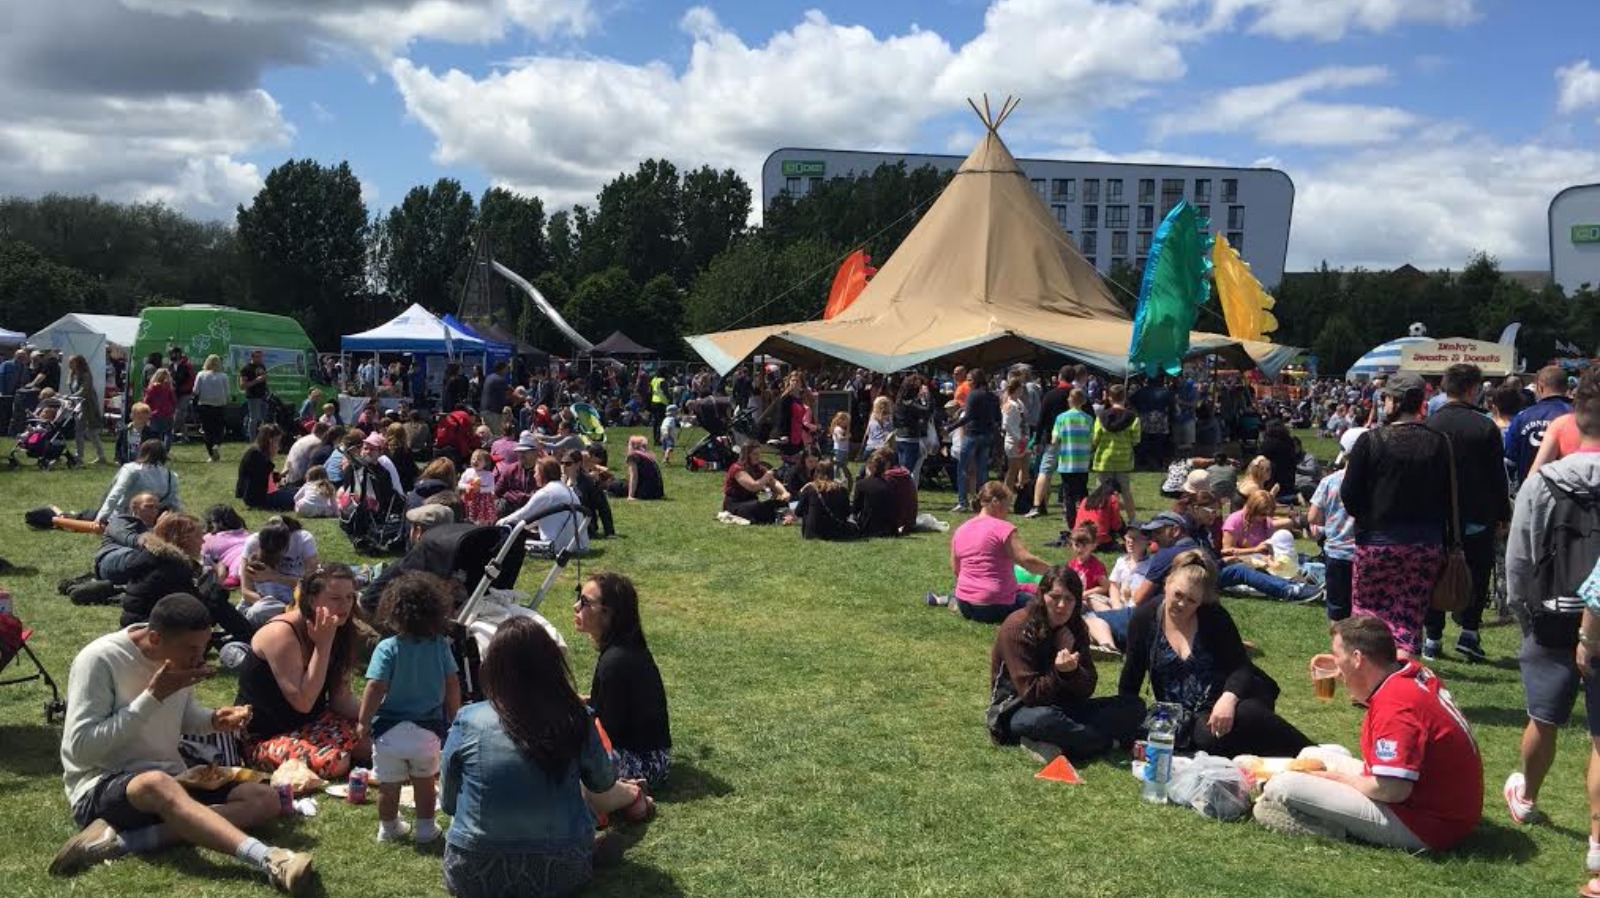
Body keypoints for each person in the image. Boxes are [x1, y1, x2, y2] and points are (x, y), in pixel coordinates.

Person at [52, 594, 313, 892]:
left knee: (265, 800)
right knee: (155, 783)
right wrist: (152, 697)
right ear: (154, 637)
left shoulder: (175, 658)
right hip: (101, 784)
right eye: (191, 649)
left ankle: (124, 841)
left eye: (203, 647)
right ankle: (269, 859)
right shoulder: (99, 660)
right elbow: (82, 749)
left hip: (171, 778)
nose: (199, 658)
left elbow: (182, 715)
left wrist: (213, 720)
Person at [441, 617, 653, 898]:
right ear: (552, 666)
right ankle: (596, 848)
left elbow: (449, 803)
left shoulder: (468, 719)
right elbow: (602, 782)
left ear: (492, 668)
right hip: (560, 872)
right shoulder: (577, 718)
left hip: (472, 872)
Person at [1254, 615, 1482, 852]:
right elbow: (1395, 660)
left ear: (1357, 659)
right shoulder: (1409, 671)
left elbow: (1392, 790)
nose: (1335, 662)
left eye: (1338, 656)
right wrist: (1339, 667)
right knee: (1310, 754)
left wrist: (1335, 780)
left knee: (1282, 785)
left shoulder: (1395, 706)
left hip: (1425, 823)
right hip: (1437, 805)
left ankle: (1331, 828)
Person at [1502, 372, 1600, 834]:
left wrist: (1522, 610)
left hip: (1549, 607)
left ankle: (1528, 796)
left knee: (1542, 717)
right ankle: (1597, 841)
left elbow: (1518, 556)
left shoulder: (1542, 483)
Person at [1119, 550, 1311, 757]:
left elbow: (1241, 666)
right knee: (1200, 737)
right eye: (1178, 595)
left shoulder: (1213, 616)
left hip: (1228, 699)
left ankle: (1308, 750)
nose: (1182, 604)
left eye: (1191, 601)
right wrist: (1127, 717)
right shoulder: (1144, 618)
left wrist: (1228, 699)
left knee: (1222, 728)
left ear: (1202, 601)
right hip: (1178, 712)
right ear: (1166, 584)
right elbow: (1132, 674)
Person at [1340, 372, 1451, 658]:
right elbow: (1450, 494)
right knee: (1408, 617)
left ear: (1395, 402)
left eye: (1385, 398)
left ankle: (1368, 681)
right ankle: (1401, 680)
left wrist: (1365, 517)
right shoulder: (1440, 442)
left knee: (1367, 616)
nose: (1382, 403)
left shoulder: (1371, 440)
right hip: (1425, 543)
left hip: (1378, 540)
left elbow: (1350, 492)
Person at [988, 565, 1146, 761]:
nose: (1061, 605)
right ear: (1042, 596)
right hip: (1016, 709)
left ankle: (1064, 739)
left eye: (1069, 599)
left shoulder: (1076, 627)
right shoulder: (1018, 627)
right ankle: (1104, 742)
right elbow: (1030, 695)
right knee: (1045, 719)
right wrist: (1059, 672)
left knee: (1134, 706)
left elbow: (1088, 687)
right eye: (1055, 597)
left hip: (1066, 707)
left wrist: (1072, 673)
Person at [235, 563, 366, 779]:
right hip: (266, 734)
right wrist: (323, 646)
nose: (344, 605)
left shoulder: (339, 629)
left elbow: (340, 699)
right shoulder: (281, 634)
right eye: (335, 598)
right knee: (336, 762)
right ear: (312, 600)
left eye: (350, 597)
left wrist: (378, 714)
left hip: (314, 724)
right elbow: (303, 702)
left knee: (376, 740)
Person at [357, 573, 461, 845]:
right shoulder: (440, 647)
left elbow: (375, 687)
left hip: (389, 731)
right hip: (427, 731)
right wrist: (455, 716)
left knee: (388, 786)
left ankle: (388, 828)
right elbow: (452, 684)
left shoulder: (386, 648)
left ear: (392, 611)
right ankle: (426, 828)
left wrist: (363, 720)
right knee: (425, 783)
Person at [1423, 363, 1510, 661]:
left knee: (1434, 573)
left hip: (1435, 515)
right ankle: (1469, 633)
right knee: (1477, 572)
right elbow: (1497, 476)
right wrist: (1503, 513)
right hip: (1477, 514)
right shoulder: (1485, 426)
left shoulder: (1430, 424)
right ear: (1473, 389)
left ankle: (1432, 637)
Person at [575, 572, 673, 786]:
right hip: (652, 757)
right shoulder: (624, 650)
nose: (576, 607)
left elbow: (606, 731)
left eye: (585, 602)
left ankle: (628, 793)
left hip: (644, 763)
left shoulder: (615, 662)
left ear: (608, 613)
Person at [117, 513, 258, 648]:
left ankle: (247, 636)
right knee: (215, 598)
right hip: (151, 636)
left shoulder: (154, 559)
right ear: (183, 539)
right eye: (198, 536)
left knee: (212, 596)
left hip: (135, 630)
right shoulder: (171, 568)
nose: (203, 541)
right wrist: (218, 584)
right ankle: (251, 638)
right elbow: (196, 607)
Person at [944, 481, 1051, 623]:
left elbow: (956, 569)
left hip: (965, 603)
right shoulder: (1003, 528)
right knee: (1045, 603)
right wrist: (1055, 572)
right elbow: (1026, 561)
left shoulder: (961, 529)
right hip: (995, 605)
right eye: (1007, 505)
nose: (1008, 511)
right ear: (995, 502)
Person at [1309, 428, 1364, 622]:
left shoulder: (1329, 481)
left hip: (1337, 552)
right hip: (1366, 552)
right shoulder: (1376, 483)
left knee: (1337, 607)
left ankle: (1339, 646)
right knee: (1363, 607)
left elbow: (1313, 517)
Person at [497, 456, 590, 556]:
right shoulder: (568, 489)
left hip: (558, 547)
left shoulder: (546, 493)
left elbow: (523, 515)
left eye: (536, 472)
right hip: (579, 545)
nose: (534, 476)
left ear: (543, 474)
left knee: (513, 533)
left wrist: (500, 523)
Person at [238, 516, 320, 626]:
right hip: (259, 599)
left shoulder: (303, 540)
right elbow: (246, 591)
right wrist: (264, 602)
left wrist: (275, 576)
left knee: (257, 613)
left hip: (291, 599)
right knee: (252, 611)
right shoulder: (253, 542)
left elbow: (313, 584)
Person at [1505, 365, 1573, 490]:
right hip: (1570, 497)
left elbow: (1509, 461)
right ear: (1566, 388)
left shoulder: (1522, 417)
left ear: (1540, 387)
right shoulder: (1578, 416)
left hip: (1530, 492)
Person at [945, 368, 1000, 513]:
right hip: (987, 435)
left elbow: (967, 417)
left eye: (969, 380)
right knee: (982, 471)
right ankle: (984, 501)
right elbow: (998, 418)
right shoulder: (992, 396)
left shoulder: (973, 395)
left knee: (962, 469)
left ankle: (962, 502)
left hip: (972, 434)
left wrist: (949, 428)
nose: (967, 383)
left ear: (975, 381)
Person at [96, 439, 181, 524]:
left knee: (86, 514)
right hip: (154, 521)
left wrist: (101, 517)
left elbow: (116, 493)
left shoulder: (131, 469)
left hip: (123, 519)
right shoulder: (171, 476)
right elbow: (174, 504)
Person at [1090, 384, 1140, 523]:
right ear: (1125, 397)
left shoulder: (1100, 417)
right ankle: (1132, 519)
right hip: (1123, 460)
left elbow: (1095, 439)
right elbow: (1136, 440)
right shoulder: (1134, 418)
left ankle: (1100, 520)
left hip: (1104, 459)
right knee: (1126, 492)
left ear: (1109, 398)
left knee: (1102, 492)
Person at [1047, 388, 1094, 528]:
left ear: (1070, 400)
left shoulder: (1061, 418)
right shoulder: (1089, 419)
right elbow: (1093, 440)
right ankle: (1085, 519)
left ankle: (1071, 522)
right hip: (1083, 462)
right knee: (1082, 492)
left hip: (1067, 462)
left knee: (1068, 495)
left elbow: (1055, 439)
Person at [721, 441, 789, 525]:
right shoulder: (737, 469)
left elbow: (774, 482)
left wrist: (784, 492)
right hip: (736, 503)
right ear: (747, 455)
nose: (758, 457)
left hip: (751, 501)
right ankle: (774, 517)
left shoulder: (758, 468)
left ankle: (781, 516)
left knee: (780, 503)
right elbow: (753, 486)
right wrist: (766, 476)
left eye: (759, 454)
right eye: (755, 454)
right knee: (756, 506)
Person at [236, 423, 295, 512]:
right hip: (260, 498)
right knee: (297, 496)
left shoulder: (256, 451)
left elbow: (265, 477)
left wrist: (280, 475)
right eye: (277, 441)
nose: (278, 445)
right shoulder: (256, 455)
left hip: (262, 494)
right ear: (270, 440)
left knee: (296, 490)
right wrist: (271, 455)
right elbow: (263, 481)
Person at [794, 459, 858, 541]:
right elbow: (847, 512)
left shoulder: (810, 489)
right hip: (837, 531)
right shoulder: (842, 490)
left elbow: (798, 512)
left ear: (816, 472)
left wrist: (802, 490)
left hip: (813, 532)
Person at [67, 354, 108, 465]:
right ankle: (81, 456)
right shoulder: (72, 375)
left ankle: (96, 456)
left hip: (88, 405)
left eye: (72, 362)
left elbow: (84, 389)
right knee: (81, 431)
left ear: (78, 363)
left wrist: (72, 396)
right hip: (78, 405)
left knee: (90, 432)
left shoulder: (86, 375)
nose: (69, 364)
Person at [193, 354, 229, 463]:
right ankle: (217, 444)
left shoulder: (201, 374)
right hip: (219, 406)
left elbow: (195, 391)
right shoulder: (223, 376)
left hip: (205, 405)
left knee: (207, 431)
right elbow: (227, 392)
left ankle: (211, 454)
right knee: (219, 429)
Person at [612, 435, 664, 501]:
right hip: (657, 492)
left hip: (645, 493)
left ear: (634, 446)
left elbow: (634, 476)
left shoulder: (633, 456)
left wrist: (630, 495)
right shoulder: (648, 455)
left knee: (616, 485)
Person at [282, 421, 327, 488]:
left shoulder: (304, 438)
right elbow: (313, 463)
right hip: (297, 481)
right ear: (325, 433)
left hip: (287, 476)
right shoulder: (318, 442)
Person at [142, 368, 177, 449]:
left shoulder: (152, 387)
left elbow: (146, 400)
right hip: (168, 413)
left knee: (156, 434)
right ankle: (165, 450)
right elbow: (174, 400)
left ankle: (157, 450)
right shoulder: (168, 387)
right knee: (168, 433)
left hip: (155, 413)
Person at [239, 349, 269, 439]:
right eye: (257, 357)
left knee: (265, 418)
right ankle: (252, 439)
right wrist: (257, 380)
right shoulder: (246, 369)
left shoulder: (262, 366)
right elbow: (243, 386)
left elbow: (264, 381)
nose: (260, 359)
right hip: (253, 396)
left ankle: (263, 439)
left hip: (263, 396)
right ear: (252, 357)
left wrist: (267, 389)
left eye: (261, 357)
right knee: (254, 419)